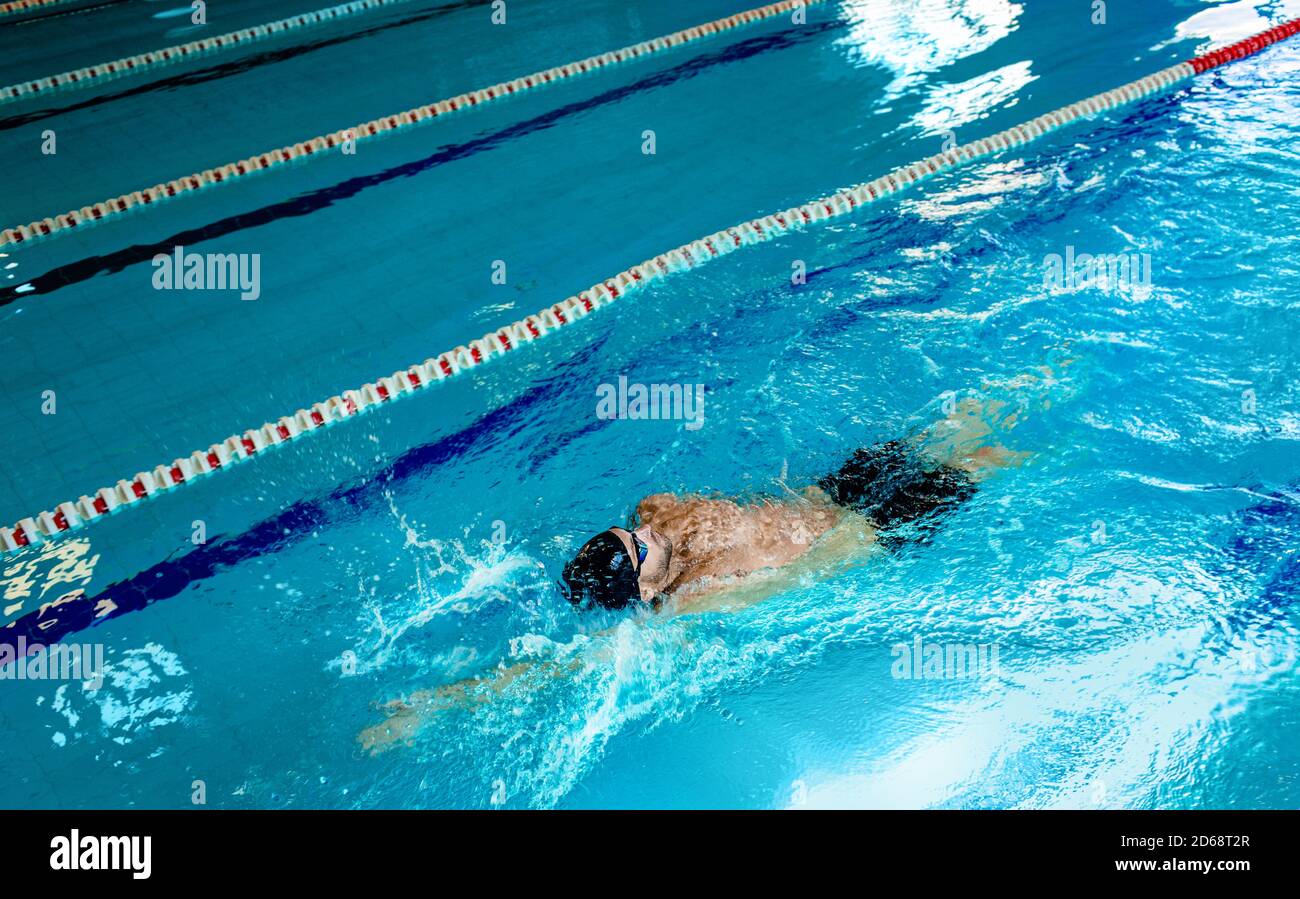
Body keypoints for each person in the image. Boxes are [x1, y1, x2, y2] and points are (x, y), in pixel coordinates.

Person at [360, 377, 1050, 753]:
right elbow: (560, 670)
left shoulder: (658, 516)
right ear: (644, 585)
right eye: (636, 545)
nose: (641, 529)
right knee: (1003, 460)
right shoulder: (688, 602)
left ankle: (1054, 374)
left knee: (973, 412)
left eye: (627, 530)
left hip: (832, 491)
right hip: (867, 532)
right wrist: (432, 707)